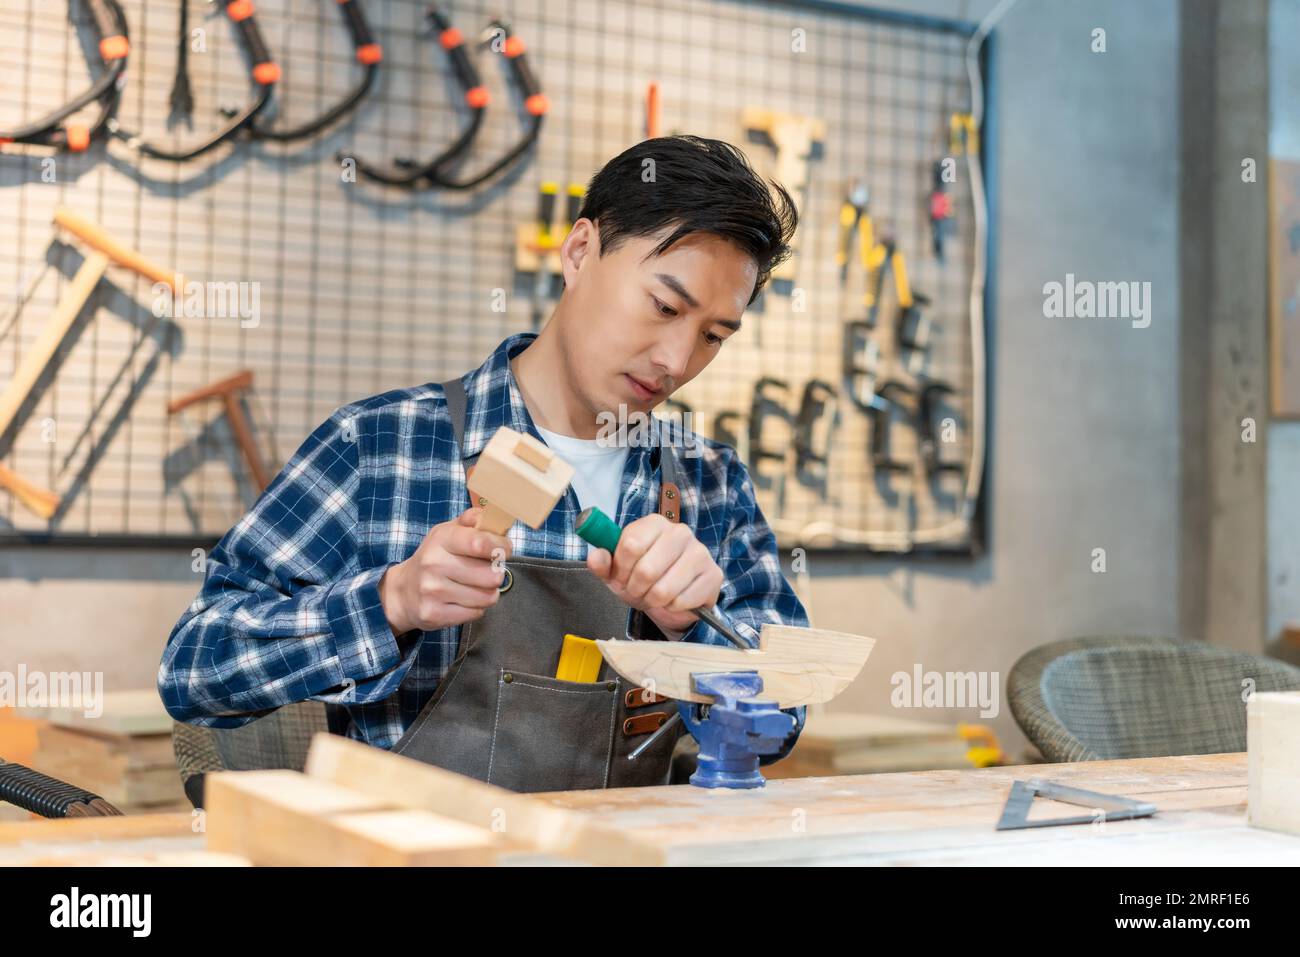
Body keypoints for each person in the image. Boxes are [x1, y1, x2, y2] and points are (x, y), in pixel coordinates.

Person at [159, 134, 810, 792]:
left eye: (713, 335)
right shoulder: (384, 446)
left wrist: (696, 631)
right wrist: (390, 601)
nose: (676, 359)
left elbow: (784, 720)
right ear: (580, 252)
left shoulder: (708, 484)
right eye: (664, 306)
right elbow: (194, 669)